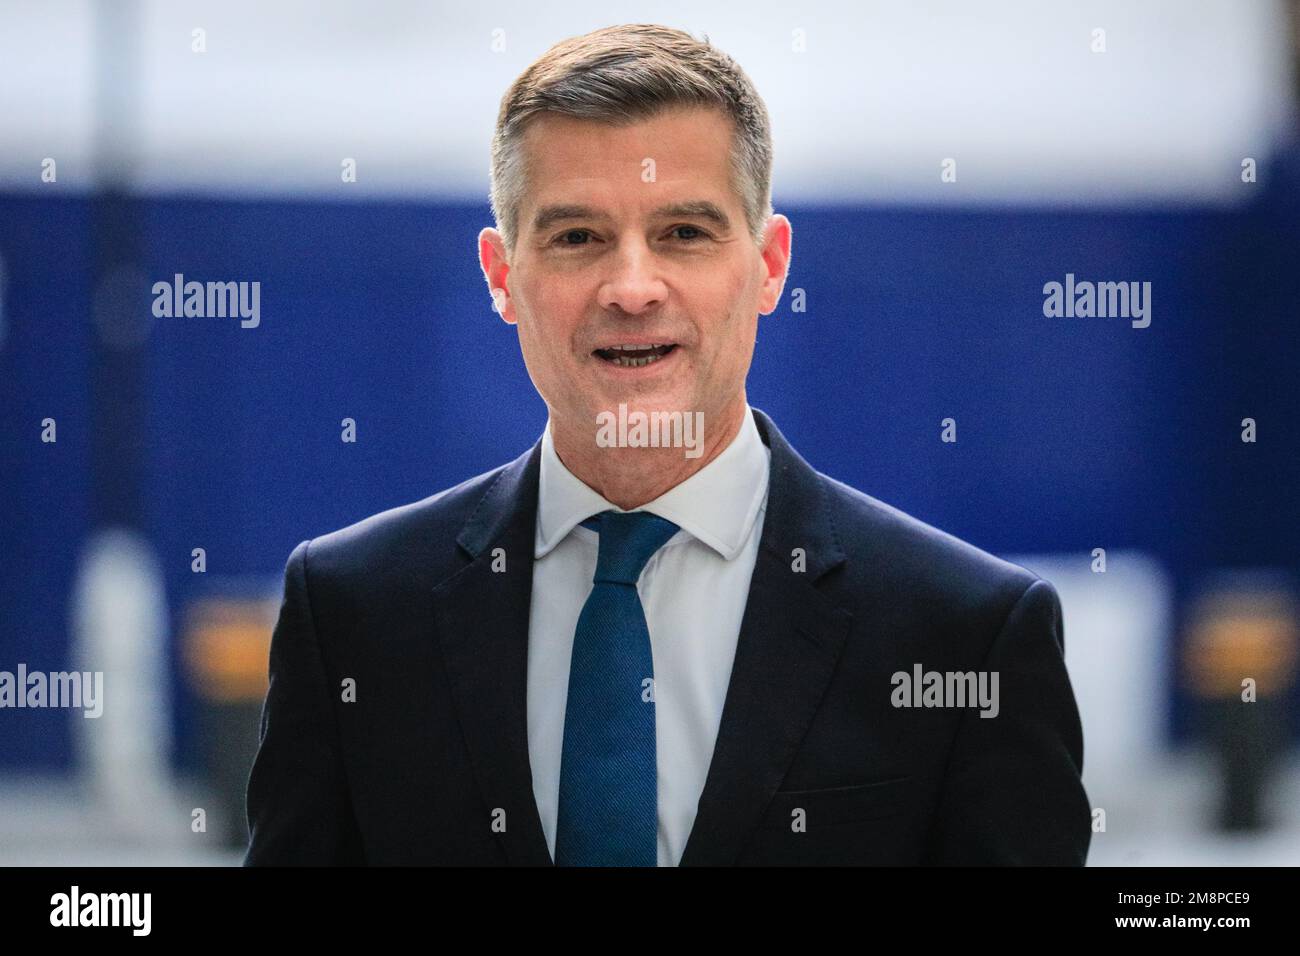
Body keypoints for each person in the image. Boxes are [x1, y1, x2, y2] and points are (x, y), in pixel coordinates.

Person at [244, 23, 1090, 866]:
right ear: (502, 276)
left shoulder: (964, 634)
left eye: (685, 233)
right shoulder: (352, 613)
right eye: (577, 236)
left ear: (769, 265)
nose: (633, 287)